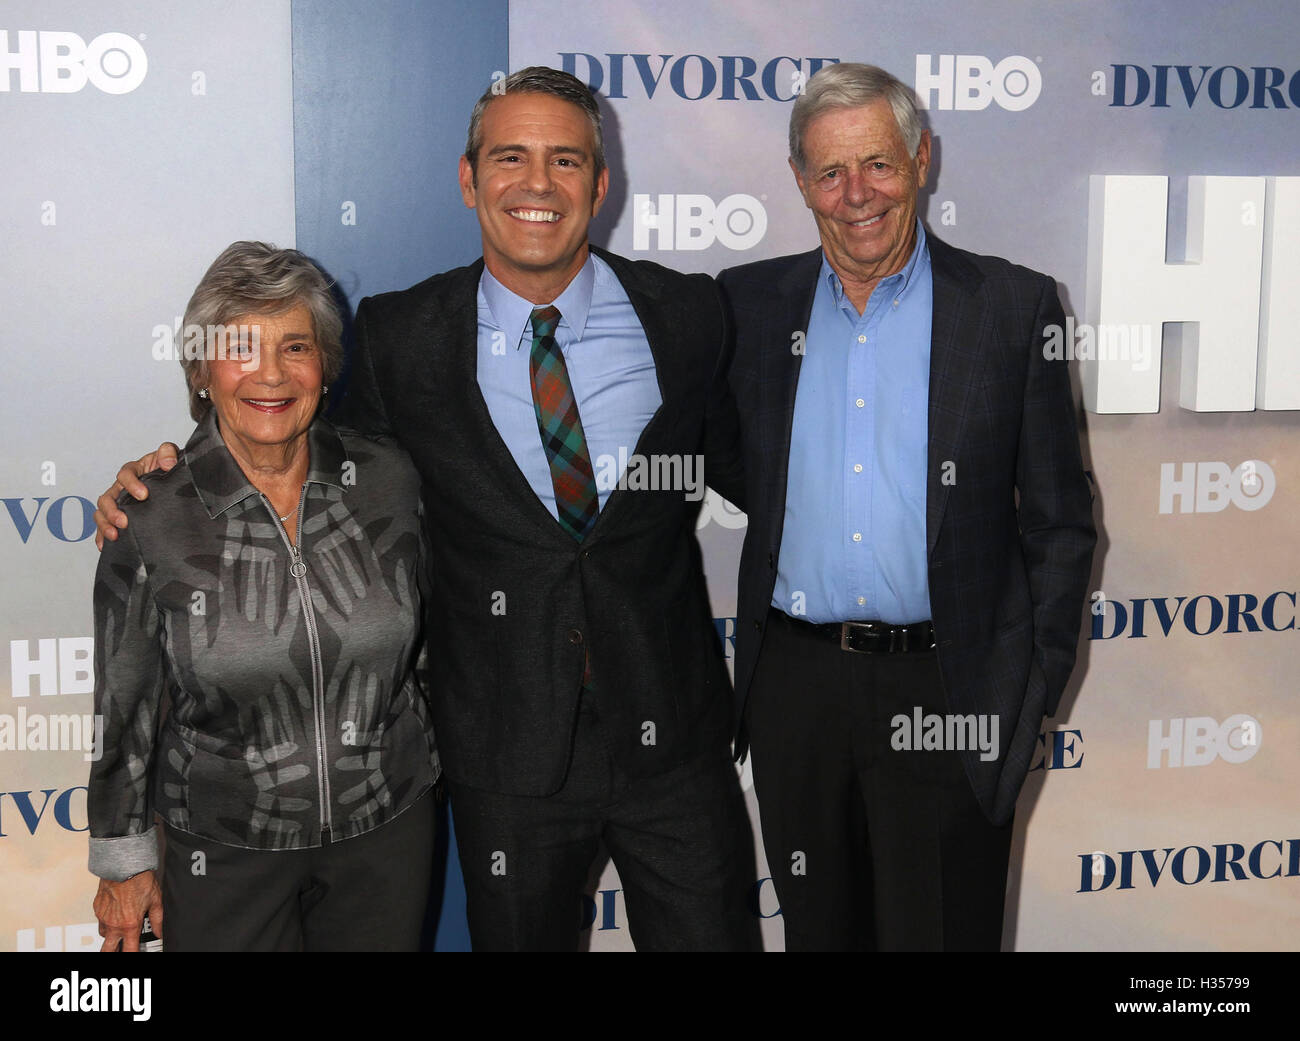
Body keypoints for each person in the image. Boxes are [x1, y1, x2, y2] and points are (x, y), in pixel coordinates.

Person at [95, 69, 758, 952]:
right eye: (509, 157)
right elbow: (283, 436)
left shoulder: (687, 313)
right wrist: (161, 477)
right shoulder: (402, 338)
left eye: (565, 160)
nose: (536, 184)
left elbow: (760, 472)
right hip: (502, 756)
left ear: (601, 185)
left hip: (675, 740)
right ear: (468, 177)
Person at [715, 63, 1096, 950]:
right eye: (831, 172)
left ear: (921, 159)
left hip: (950, 681)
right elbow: (740, 467)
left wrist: (1027, 687)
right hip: (796, 692)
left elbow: (1059, 520)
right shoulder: (747, 305)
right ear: (799, 180)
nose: (857, 196)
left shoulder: (1010, 306)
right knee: (820, 934)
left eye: (879, 165)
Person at [89, 242, 438, 952]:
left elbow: (432, 640)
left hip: (388, 832)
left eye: (296, 346)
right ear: (201, 371)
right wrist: (124, 860)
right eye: (241, 347)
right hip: (222, 848)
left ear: (325, 364)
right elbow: (124, 703)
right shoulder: (151, 513)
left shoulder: (388, 478)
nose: (271, 374)